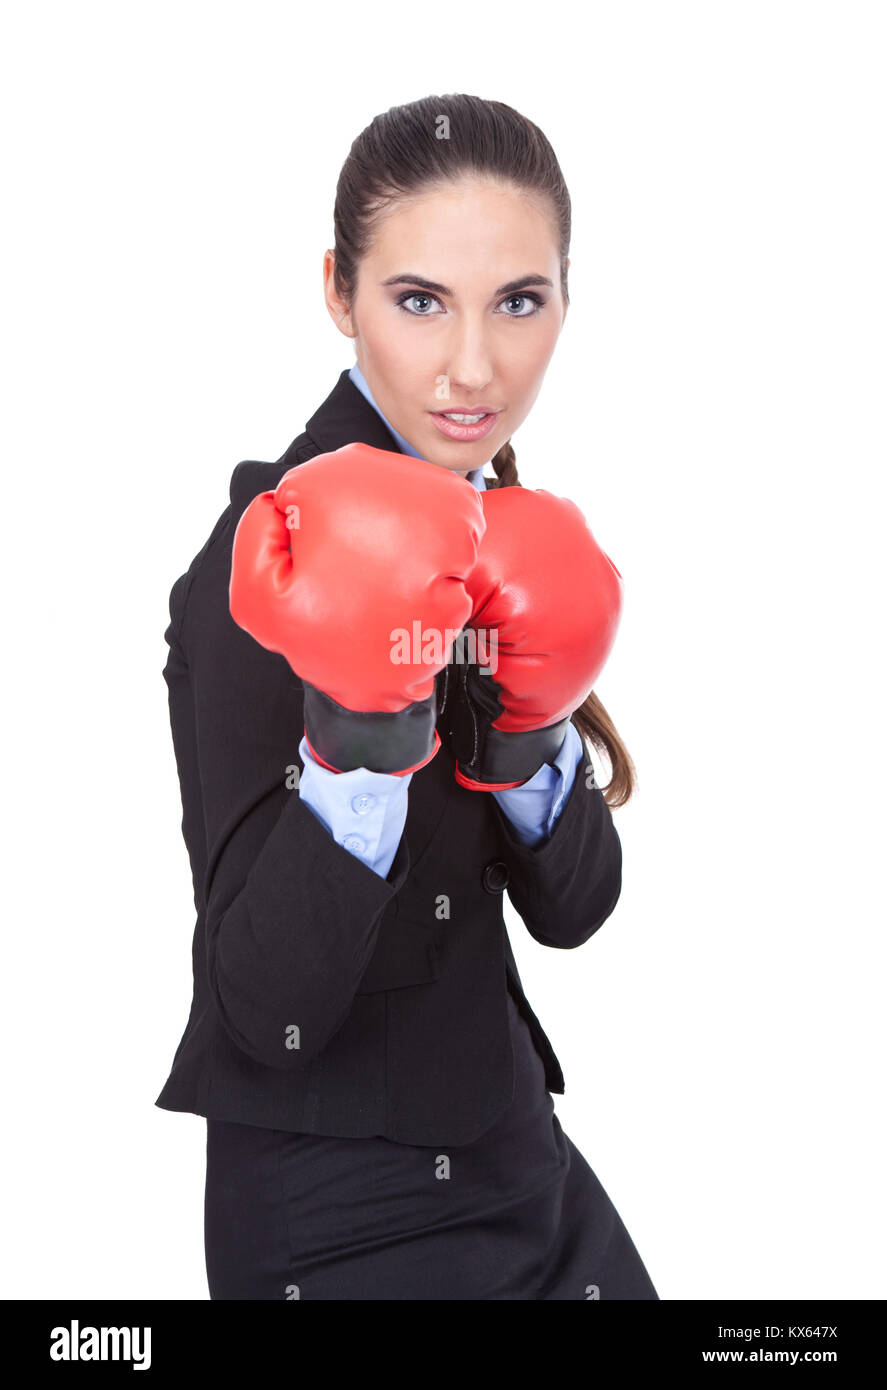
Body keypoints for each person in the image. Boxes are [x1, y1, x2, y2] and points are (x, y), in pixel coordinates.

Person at [157, 92, 659, 1300]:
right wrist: (359, 751)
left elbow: (576, 908)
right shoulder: (259, 560)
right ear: (340, 292)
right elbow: (261, 1007)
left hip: (520, 1165)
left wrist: (531, 732)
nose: (472, 366)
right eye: (419, 300)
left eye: (518, 302)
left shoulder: (509, 534)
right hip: (349, 1223)